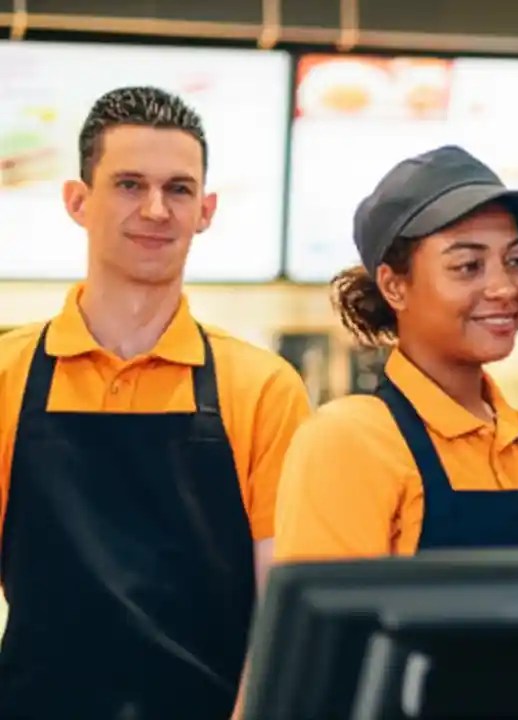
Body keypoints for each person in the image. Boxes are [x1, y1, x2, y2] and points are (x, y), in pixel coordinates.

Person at [0, 86, 312, 719]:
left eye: (178, 189)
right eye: (128, 184)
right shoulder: (7, 375)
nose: (155, 209)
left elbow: (281, 613)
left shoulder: (261, 388)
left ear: (206, 209)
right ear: (77, 201)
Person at [273, 145, 518, 561]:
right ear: (394, 286)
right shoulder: (349, 441)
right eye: (468, 266)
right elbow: (334, 623)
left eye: (516, 260)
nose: (505, 288)